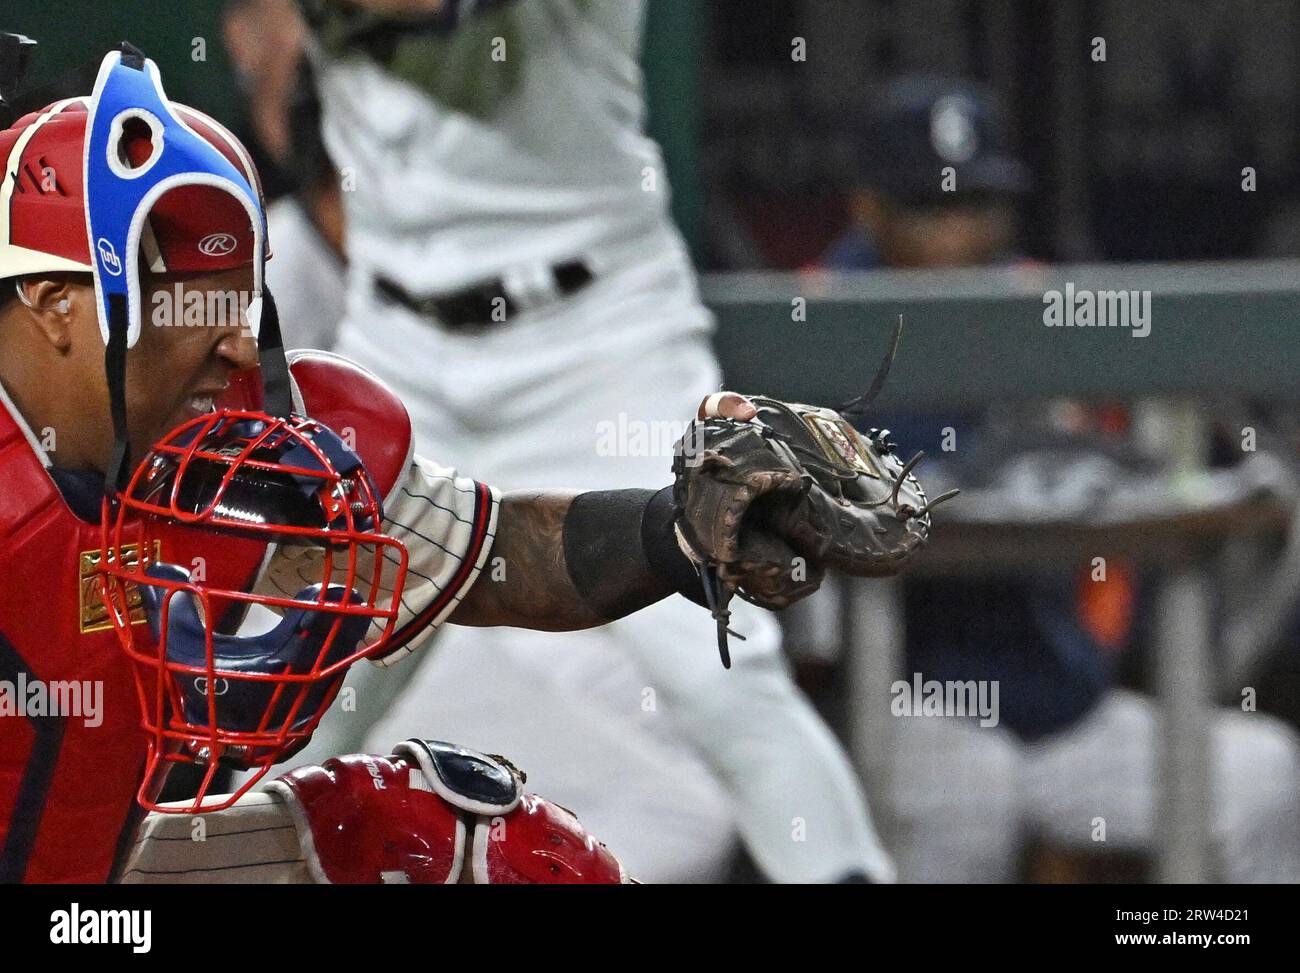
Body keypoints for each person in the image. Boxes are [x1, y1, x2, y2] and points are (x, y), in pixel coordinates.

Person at [0, 45, 849, 884]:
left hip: (108, 880)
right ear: (53, 304)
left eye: (237, 299)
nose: (231, 340)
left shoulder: (233, 447)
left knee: (445, 838)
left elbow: (503, 559)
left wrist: (682, 530)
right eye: (189, 300)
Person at [252, 0, 896, 882]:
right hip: (400, 344)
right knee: (307, 695)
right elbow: (259, 36)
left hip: (598, 341)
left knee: (725, 681)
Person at [814, 74, 1300, 882]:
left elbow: (1127, 492)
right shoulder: (810, 322)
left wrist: (1096, 641)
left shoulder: (1039, 310)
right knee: (970, 797)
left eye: (979, 205)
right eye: (934, 211)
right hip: (892, 699)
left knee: (1262, 775)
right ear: (869, 209)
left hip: (1051, 704)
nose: (963, 234)